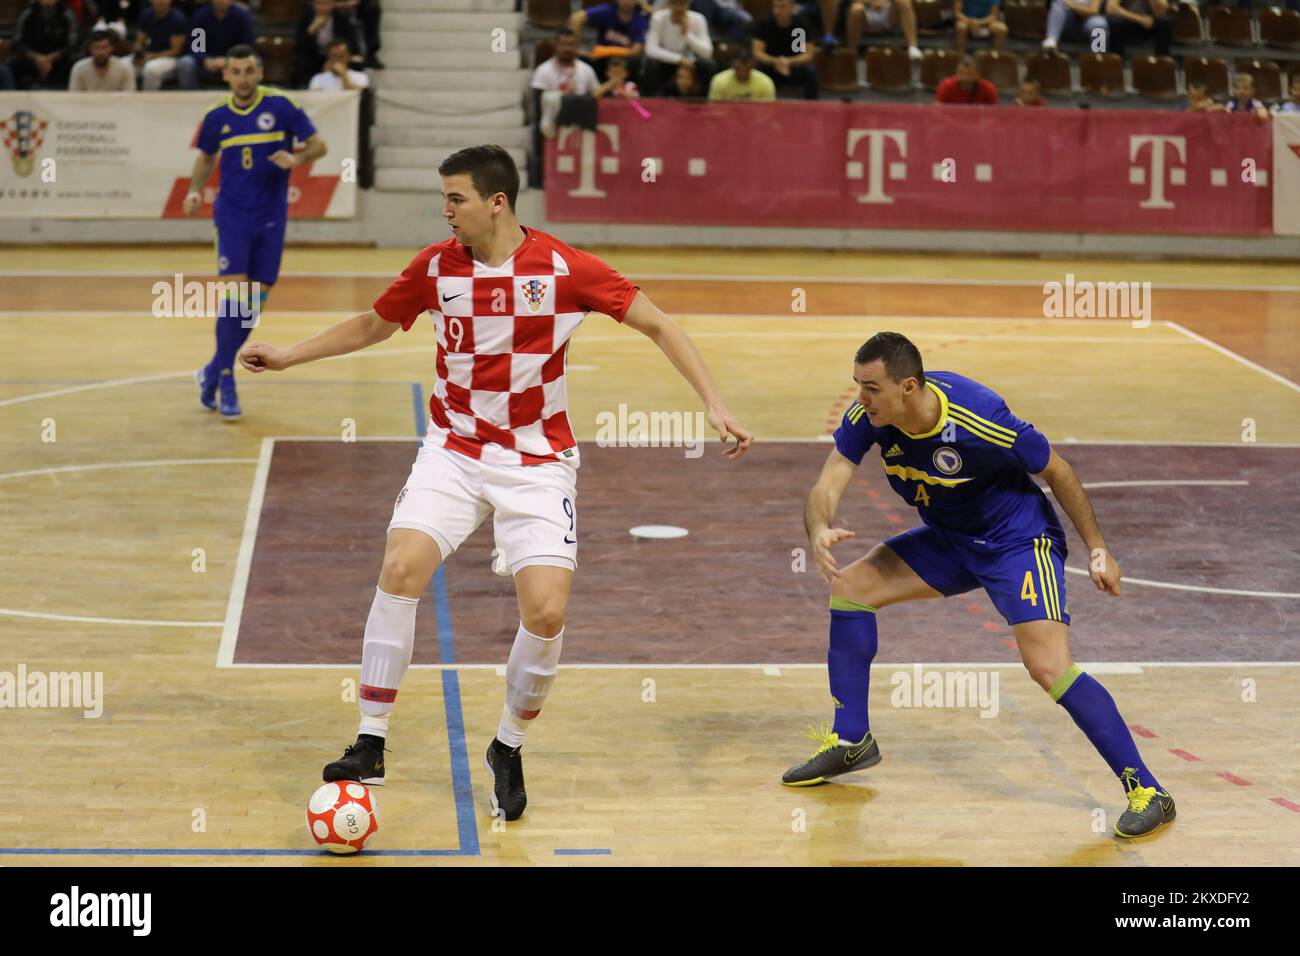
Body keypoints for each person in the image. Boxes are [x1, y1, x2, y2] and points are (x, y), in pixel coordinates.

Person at [236, 145, 753, 823]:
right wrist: (288, 356)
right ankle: (370, 740)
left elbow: (658, 323)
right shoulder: (433, 267)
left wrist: (714, 403)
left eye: (456, 198)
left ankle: (507, 746)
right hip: (453, 451)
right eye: (444, 198)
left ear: (496, 202)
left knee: (546, 613)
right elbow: (373, 324)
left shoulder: (567, 269)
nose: (444, 210)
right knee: (401, 564)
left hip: (537, 463)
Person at [787, 332, 1175, 839]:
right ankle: (851, 740)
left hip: (1017, 539)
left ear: (908, 386)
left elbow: (1058, 471)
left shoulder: (979, 415)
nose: (861, 399)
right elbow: (827, 484)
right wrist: (818, 528)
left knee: (1048, 666)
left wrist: (1097, 548)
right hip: (952, 539)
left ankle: (1148, 790)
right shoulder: (871, 420)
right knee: (852, 587)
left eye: (871, 388)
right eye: (857, 386)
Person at [181, 45, 328, 420]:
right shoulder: (216, 116)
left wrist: (296, 159)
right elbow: (205, 157)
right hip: (232, 216)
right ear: (225, 75)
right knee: (236, 297)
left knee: (253, 305)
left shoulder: (281, 106)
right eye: (236, 72)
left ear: (259, 73)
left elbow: (319, 146)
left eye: (249, 71)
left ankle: (211, 371)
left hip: (271, 216)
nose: (243, 78)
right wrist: (195, 189)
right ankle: (227, 378)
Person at [177, 0, 256, 91]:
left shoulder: (242, 17)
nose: (220, 1)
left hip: (233, 59)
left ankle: (243, 97)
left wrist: (229, 59)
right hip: (206, 60)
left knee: (252, 61)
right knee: (185, 63)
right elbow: (195, 46)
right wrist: (205, 59)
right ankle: (190, 96)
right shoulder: (200, 16)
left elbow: (247, 45)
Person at [753, 0, 820, 100]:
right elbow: (757, 52)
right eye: (775, 7)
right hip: (771, 66)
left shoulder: (801, 25)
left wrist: (789, 62)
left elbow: (808, 54)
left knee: (810, 71)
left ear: (792, 8)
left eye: (782, 7)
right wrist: (775, 61)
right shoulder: (765, 24)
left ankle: (812, 105)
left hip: (794, 66)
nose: (777, 11)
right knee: (758, 71)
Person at [644, 0, 713, 96]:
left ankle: (701, 102)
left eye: (682, 4)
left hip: (689, 63)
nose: (678, 8)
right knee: (650, 62)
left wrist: (687, 33)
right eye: (674, 3)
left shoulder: (698, 19)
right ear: (668, 5)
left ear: (688, 5)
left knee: (708, 65)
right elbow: (650, 50)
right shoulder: (658, 18)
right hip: (666, 62)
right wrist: (679, 59)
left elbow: (707, 52)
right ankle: (654, 100)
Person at [10, 0, 78, 91]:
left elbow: (72, 43)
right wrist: (37, 58)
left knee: (75, 61)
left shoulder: (67, 14)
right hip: (32, 58)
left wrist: (51, 58)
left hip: (58, 58)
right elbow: (17, 42)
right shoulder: (27, 14)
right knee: (14, 62)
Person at [134, 0, 188, 91]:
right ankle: (125, 100)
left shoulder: (177, 18)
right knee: (124, 65)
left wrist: (152, 56)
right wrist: (138, 53)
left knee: (151, 69)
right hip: (149, 54)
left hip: (172, 59)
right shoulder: (146, 14)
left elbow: (176, 51)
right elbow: (139, 42)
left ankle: (148, 101)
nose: (160, 1)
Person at [70, 27, 137, 89]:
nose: (100, 52)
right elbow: (74, 97)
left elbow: (129, 97)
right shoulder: (79, 68)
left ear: (111, 48)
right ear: (90, 49)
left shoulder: (125, 68)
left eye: (104, 47)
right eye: (96, 48)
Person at [1105, 0, 1171, 57]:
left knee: (1165, 22)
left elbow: (1161, 12)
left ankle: (1161, 63)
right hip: (1126, 20)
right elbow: (1111, 8)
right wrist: (1140, 19)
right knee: (1114, 23)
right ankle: (1117, 61)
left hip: (1148, 22)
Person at [708, 45, 776, 100]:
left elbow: (769, 111)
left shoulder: (765, 82)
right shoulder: (719, 81)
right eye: (738, 69)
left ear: (752, 66)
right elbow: (715, 110)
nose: (742, 73)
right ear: (732, 65)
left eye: (747, 69)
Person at [1041, 0, 1108, 53]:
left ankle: (1098, 54)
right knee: (1057, 6)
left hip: (1088, 19)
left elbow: (1094, 11)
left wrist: (1074, 6)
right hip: (1067, 21)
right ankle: (1052, 39)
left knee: (1100, 24)